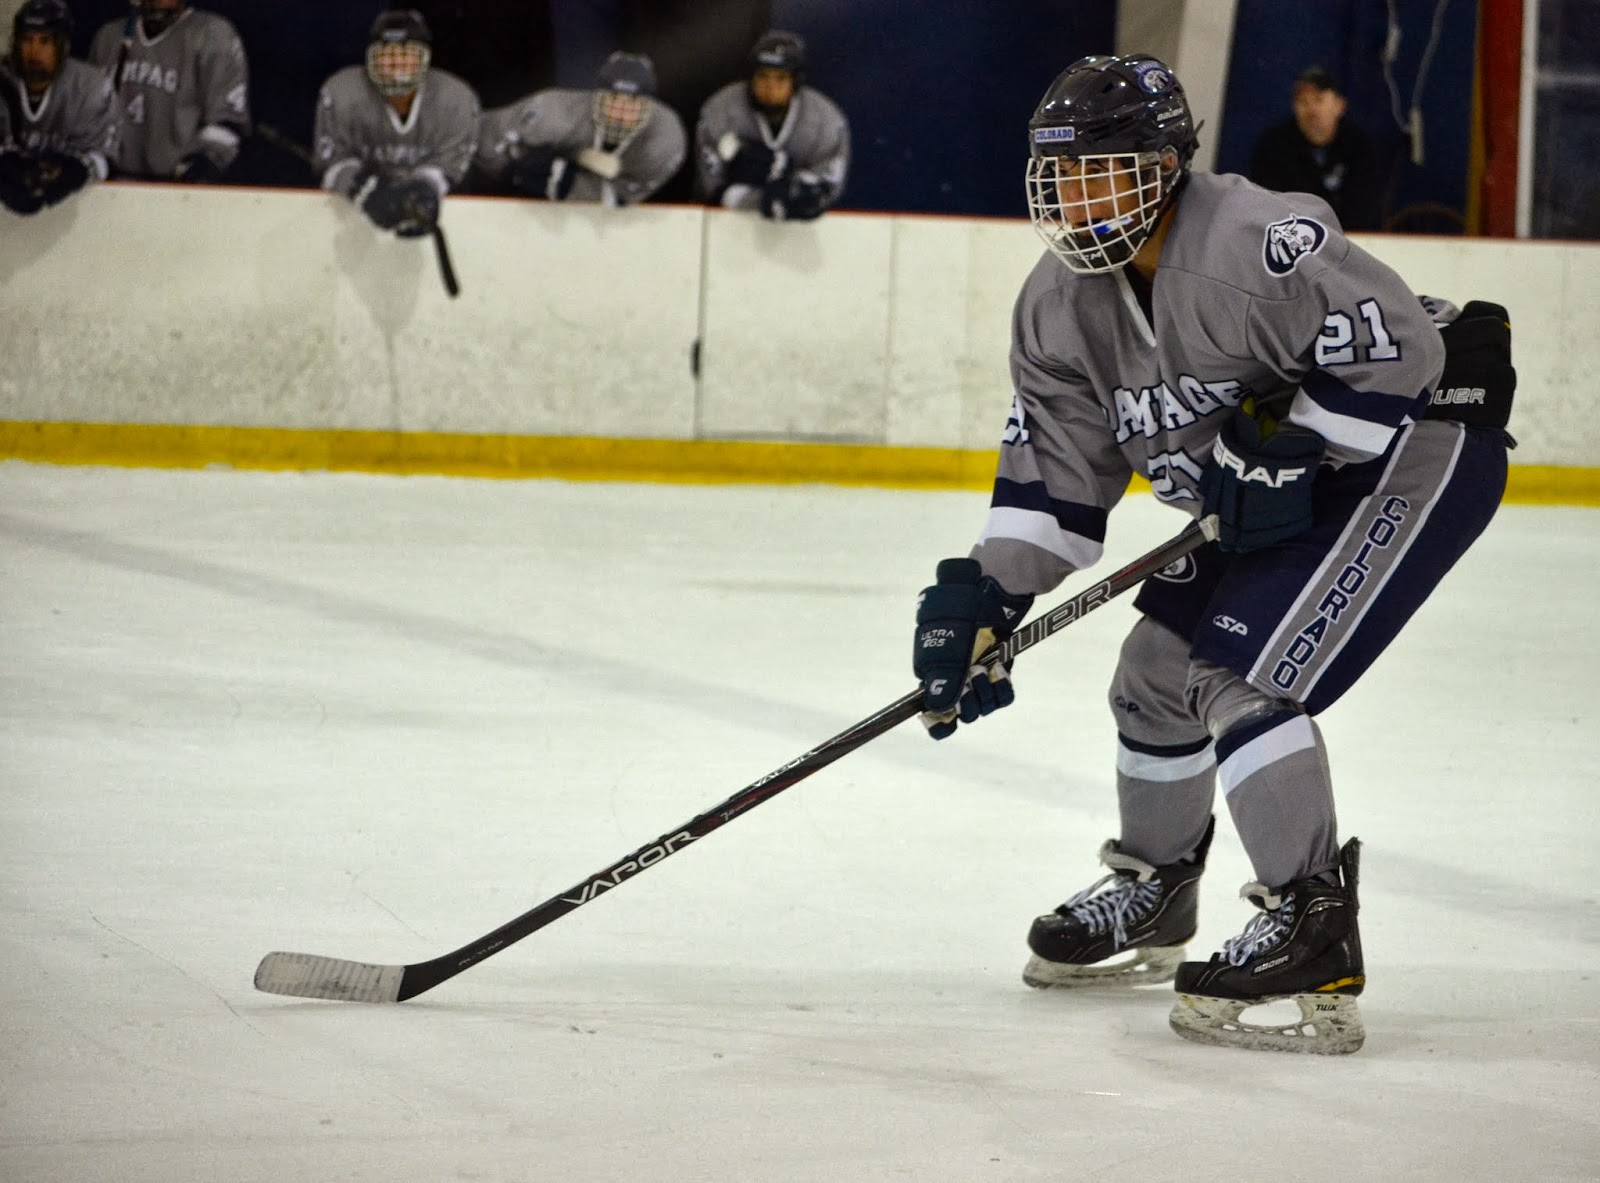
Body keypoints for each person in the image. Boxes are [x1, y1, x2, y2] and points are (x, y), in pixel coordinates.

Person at [910, 55, 1514, 1054]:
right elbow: (1054, 482)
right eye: (1059, 176)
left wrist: (1287, 444)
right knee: (1151, 679)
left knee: (1235, 671)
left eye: (1099, 171)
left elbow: (1400, 344)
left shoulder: (1247, 237)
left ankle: (1309, 923)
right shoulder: (1055, 306)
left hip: (1413, 449)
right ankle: (1155, 888)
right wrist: (983, 596)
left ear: (1162, 163)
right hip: (1293, 490)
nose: (1074, 198)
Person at [313, 9, 479, 240]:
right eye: (386, 55)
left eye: (406, 56)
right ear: (370, 57)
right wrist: (363, 188)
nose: (396, 66)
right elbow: (331, 161)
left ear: (425, 58)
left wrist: (424, 191)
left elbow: (449, 167)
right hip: (352, 224)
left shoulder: (455, 100)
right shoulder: (343, 92)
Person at [474, 50, 685, 207]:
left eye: (633, 102)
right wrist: (511, 172)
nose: (621, 112)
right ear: (596, 96)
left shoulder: (666, 138)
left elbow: (618, 201)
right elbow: (480, 141)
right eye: (613, 98)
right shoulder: (553, 113)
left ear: (650, 106)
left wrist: (565, 180)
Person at [694, 29, 848, 222]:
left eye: (781, 78)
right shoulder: (721, 110)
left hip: (800, 232)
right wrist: (759, 199)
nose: (770, 87)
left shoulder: (826, 121)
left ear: (796, 81)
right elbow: (711, 184)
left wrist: (794, 192)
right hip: (727, 225)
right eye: (762, 76)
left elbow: (828, 185)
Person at [86, 0, 248, 183]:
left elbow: (226, 121)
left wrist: (201, 165)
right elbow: (90, 121)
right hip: (113, 187)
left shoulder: (214, 34)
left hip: (180, 188)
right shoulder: (109, 37)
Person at [0, 0, 118, 215]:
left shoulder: (90, 87)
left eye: (44, 41)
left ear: (62, 46)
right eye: (27, 40)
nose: (34, 51)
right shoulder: (3, 82)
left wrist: (73, 172)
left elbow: (103, 158)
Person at [1250, 65, 1383, 232]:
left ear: (1339, 106)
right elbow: (1266, 204)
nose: (1311, 110)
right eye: (1303, 102)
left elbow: (1365, 207)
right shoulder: (1273, 146)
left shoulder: (1360, 146)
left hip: (1348, 241)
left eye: (1319, 100)